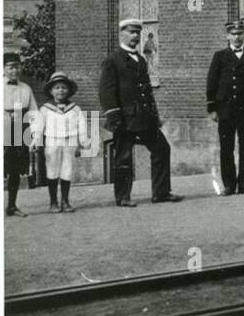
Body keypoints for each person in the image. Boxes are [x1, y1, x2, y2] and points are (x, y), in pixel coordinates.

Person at [101, 18, 182, 206]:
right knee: (124, 157)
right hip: (125, 119)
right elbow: (106, 91)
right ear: (121, 33)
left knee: (162, 149)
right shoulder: (113, 60)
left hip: (145, 118)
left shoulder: (142, 60)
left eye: (138, 32)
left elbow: (146, 91)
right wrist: (114, 117)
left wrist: (155, 116)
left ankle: (160, 193)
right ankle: (122, 197)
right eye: (131, 32)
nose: (135, 36)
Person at [205, 20, 244, 196]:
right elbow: (211, 83)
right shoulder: (220, 56)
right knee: (226, 147)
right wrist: (212, 108)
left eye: (240, 34)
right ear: (227, 36)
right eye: (233, 34)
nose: (237, 37)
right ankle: (229, 186)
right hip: (226, 109)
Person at [30, 72, 91, 213]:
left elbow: (81, 126)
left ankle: (65, 201)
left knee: (67, 170)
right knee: (52, 170)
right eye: (57, 88)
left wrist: (84, 141)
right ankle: (53, 202)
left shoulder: (75, 109)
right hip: (52, 141)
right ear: (51, 91)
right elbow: (38, 126)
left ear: (69, 90)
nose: (60, 90)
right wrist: (35, 140)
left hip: (70, 142)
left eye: (64, 87)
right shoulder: (45, 109)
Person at [3, 53, 36, 217]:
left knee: (14, 169)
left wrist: (34, 135)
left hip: (20, 129)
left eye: (17, 66)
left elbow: (33, 112)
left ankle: (11, 205)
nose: (14, 70)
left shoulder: (26, 88)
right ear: (3, 69)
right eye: (11, 67)